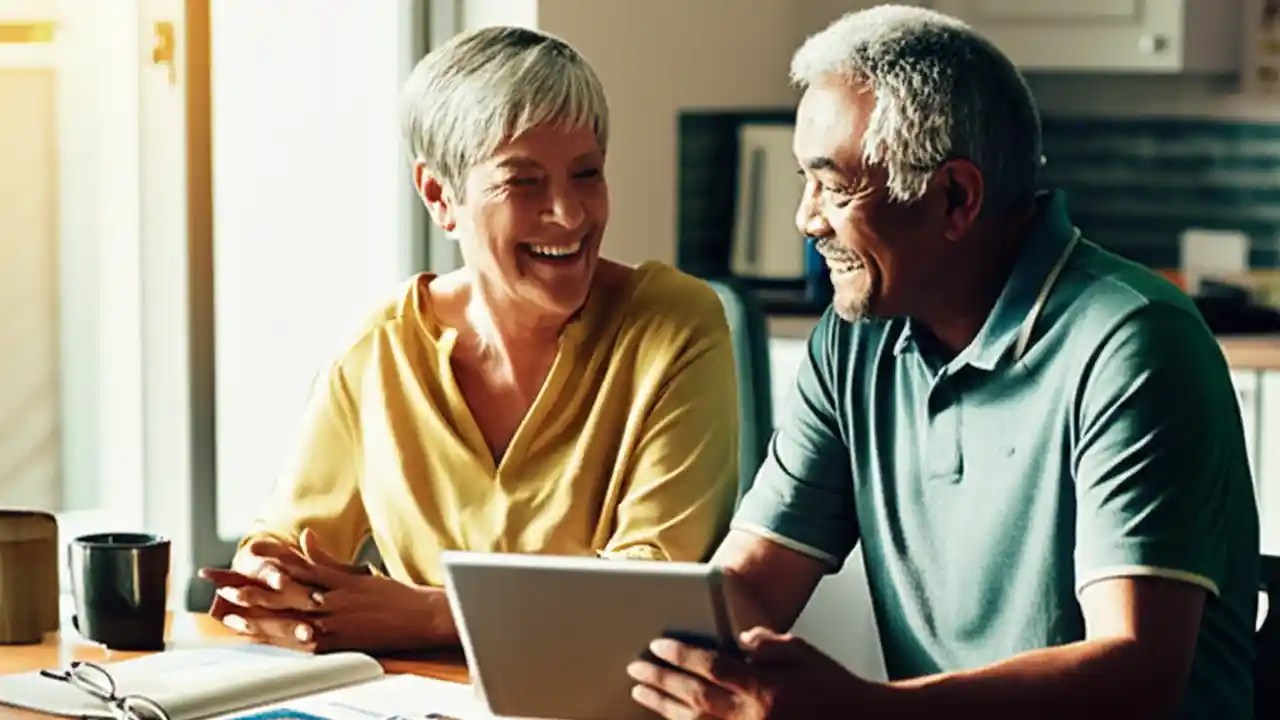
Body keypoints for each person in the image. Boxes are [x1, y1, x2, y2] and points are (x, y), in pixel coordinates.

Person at [628, 6, 1258, 718]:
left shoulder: (1132, 342)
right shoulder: (854, 339)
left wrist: (864, 710)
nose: (807, 219)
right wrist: (621, 651)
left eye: (834, 186)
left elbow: (1135, 672)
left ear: (954, 197)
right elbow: (748, 585)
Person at [198, 26, 738, 654]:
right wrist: (273, 578)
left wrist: (430, 616)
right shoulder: (379, 348)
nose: (569, 214)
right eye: (525, 182)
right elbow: (285, 546)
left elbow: (649, 598)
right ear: (438, 195)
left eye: (586, 174)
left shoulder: (675, 325)